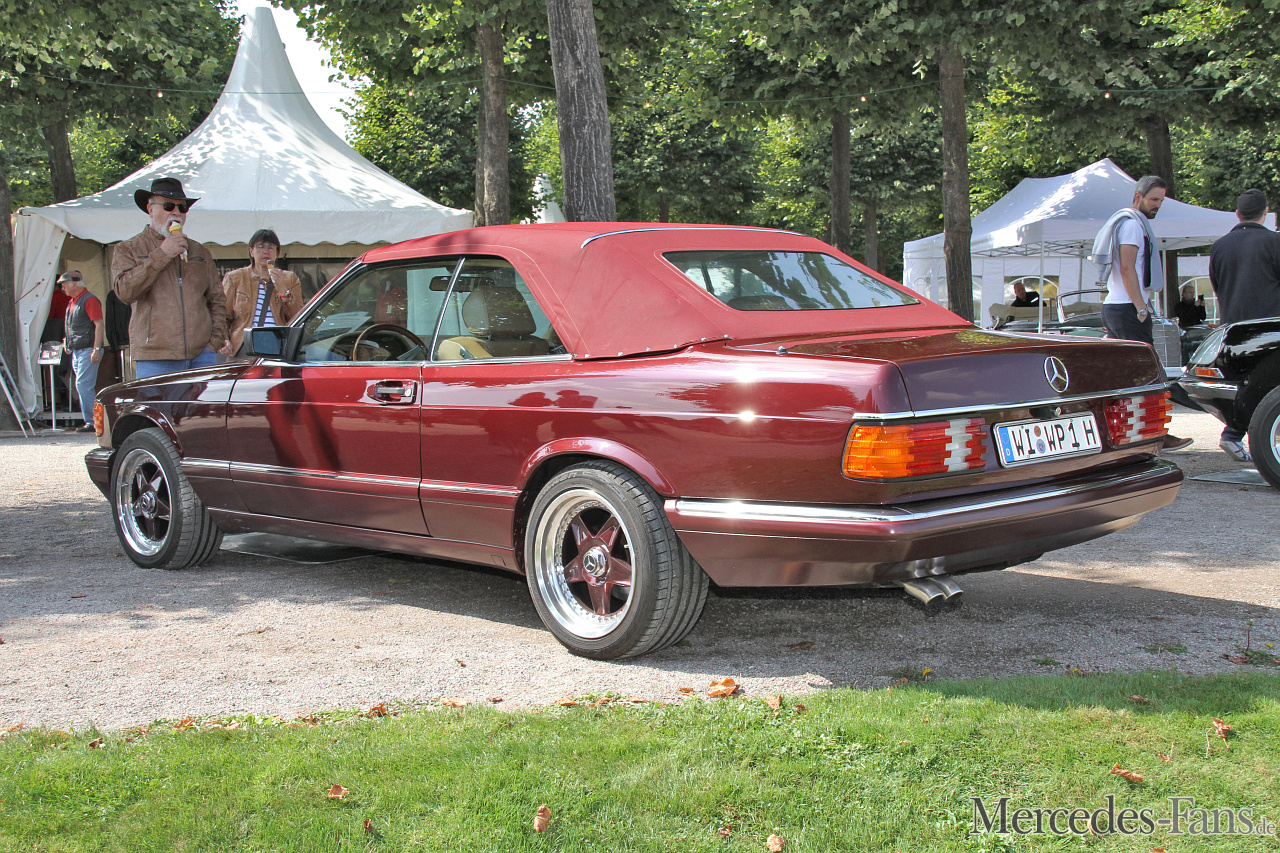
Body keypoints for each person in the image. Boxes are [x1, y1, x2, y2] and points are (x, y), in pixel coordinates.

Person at [1092, 175, 1192, 451]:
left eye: (1161, 200)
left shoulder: (1125, 222)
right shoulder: (1134, 226)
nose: (1158, 205)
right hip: (1127, 308)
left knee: (1120, 376)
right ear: (1138, 197)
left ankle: (1123, 433)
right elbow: (1127, 267)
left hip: (1116, 306)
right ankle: (1154, 433)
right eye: (1154, 199)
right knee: (1145, 376)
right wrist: (1141, 306)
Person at [111, 177, 226, 379]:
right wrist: (163, 253)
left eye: (182, 208)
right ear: (150, 209)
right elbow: (125, 292)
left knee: (199, 412)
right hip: (155, 357)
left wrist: (213, 342)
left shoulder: (199, 250)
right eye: (168, 206)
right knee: (158, 411)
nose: (176, 212)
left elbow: (217, 299)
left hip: (201, 356)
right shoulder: (128, 248)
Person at [1207, 188, 1280, 461]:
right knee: (1267, 386)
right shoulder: (1274, 243)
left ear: (1237, 214)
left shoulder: (1219, 246)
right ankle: (1235, 435)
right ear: (1266, 213)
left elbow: (1217, 286)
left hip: (1233, 328)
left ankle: (1236, 434)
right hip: (1268, 328)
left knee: (1248, 385)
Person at [220, 229, 305, 356]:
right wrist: (224, 339)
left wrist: (283, 291)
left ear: (277, 252)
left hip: (278, 343)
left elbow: (299, 317)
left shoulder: (289, 278)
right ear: (251, 251)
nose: (266, 251)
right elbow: (222, 315)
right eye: (260, 247)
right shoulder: (235, 277)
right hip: (244, 343)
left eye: (271, 247)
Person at [57, 270, 104, 432]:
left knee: (83, 385)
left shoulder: (89, 300)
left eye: (64, 285)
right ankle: (93, 421)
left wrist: (96, 349)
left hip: (87, 349)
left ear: (74, 284)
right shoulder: (74, 302)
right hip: (78, 350)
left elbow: (99, 324)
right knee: (83, 385)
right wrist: (66, 340)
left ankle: (93, 422)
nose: (63, 289)